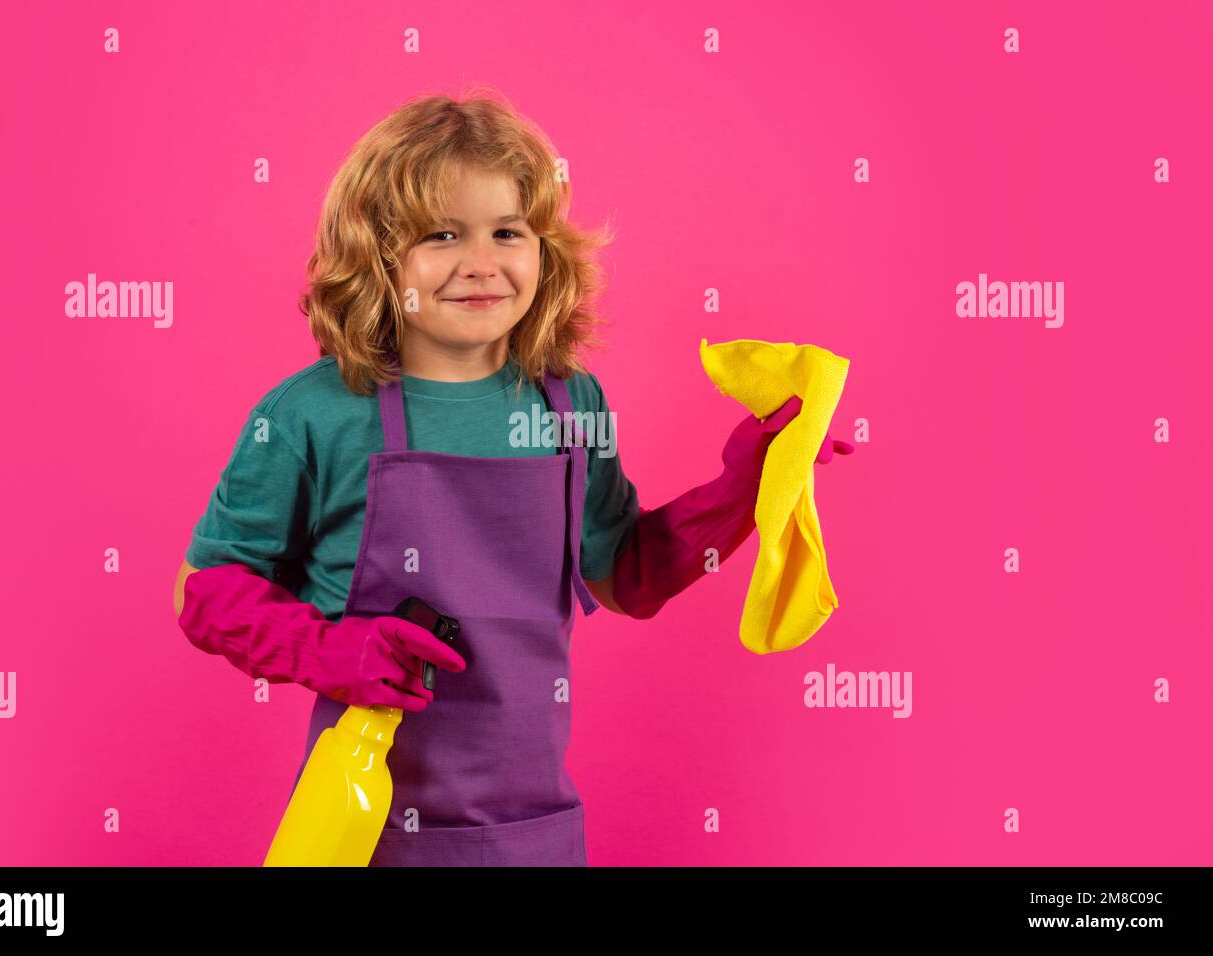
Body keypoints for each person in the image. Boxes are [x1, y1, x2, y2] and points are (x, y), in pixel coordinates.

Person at [174, 89, 833, 867]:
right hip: (366, 832)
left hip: (533, 833)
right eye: (443, 234)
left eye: (508, 232)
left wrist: (745, 487)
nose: (481, 264)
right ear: (377, 257)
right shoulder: (313, 414)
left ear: (543, 250)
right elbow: (205, 590)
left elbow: (627, 576)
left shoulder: (568, 400)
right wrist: (328, 651)